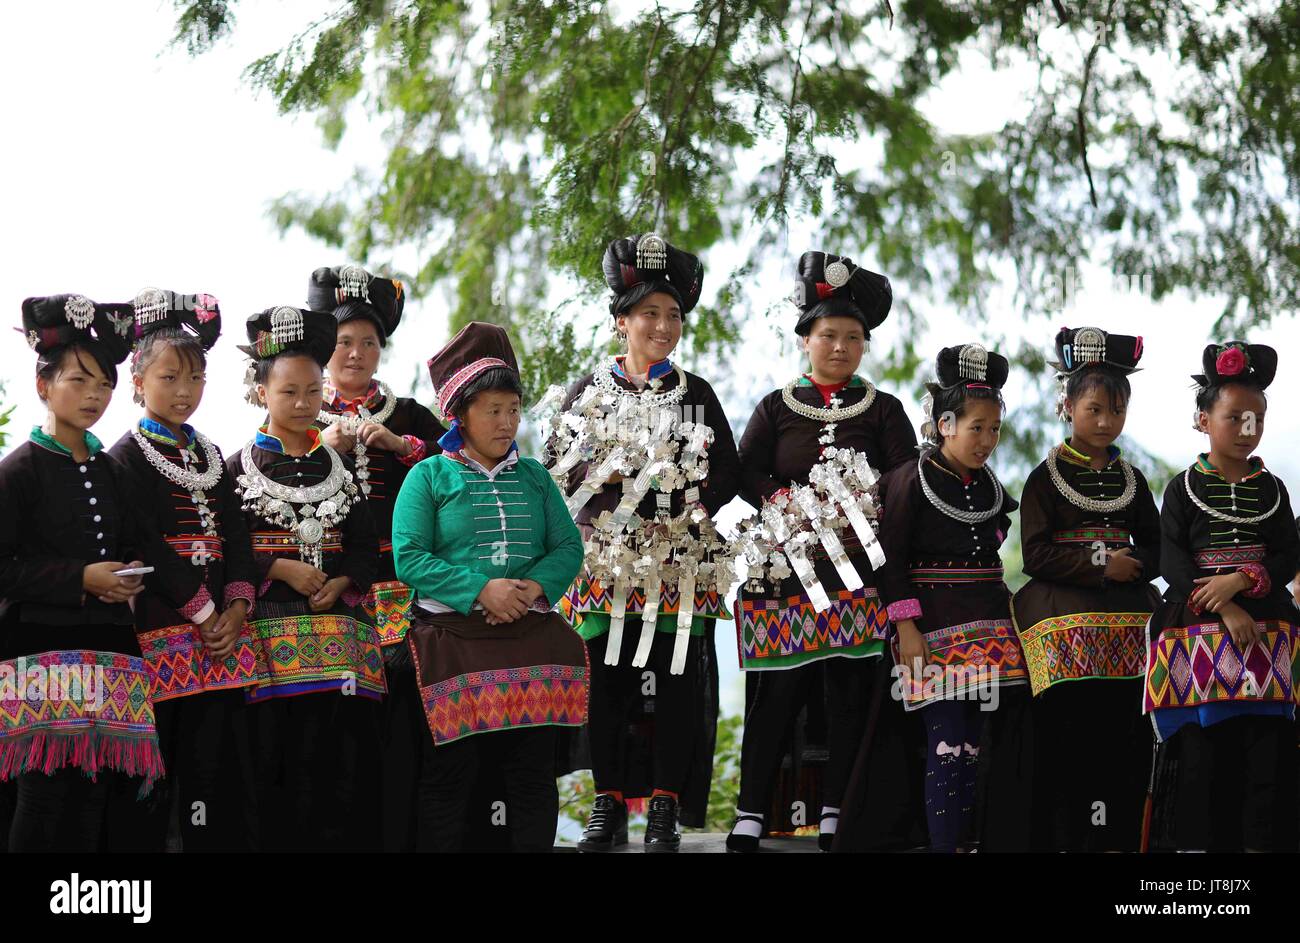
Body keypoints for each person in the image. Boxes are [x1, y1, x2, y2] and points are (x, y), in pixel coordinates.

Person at [549, 233, 740, 852]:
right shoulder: (585, 393)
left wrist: (689, 510)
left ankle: (665, 806)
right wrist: (603, 478)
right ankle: (607, 806)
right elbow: (555, 470)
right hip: (603, 564)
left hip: (678, 564)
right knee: (609, 683)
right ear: (620, 321)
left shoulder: (696, 394)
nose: (663, 325)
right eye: (649, 313)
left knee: (676, 679)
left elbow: (730, 473)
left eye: (673, 315)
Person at [725, 251, 913, 853]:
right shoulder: (776, 407)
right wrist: (783, 502)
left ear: (865, 346)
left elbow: (906, 481)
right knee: (777, 691)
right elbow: (743, 469)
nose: (839, 346)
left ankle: (837, 809)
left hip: (855, 574)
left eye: (852, 337)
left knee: (847, 692)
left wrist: (858, 507)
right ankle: (751, 810)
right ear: (805, 338)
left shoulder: (884, 410)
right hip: (783, 572)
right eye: (828, 334)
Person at [394, 321, 587, 853]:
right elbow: (410, 558)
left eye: (513, 410)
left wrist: (528, 590)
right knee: (450, 776)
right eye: (492, 411)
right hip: (453, 641)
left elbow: (568, 547)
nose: (507, 423)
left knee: (530, 776)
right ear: (461, 416)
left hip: (529, 635)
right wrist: (482, 590)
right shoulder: (429, 476)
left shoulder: (535, 478)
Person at [0, 294, 165, 851]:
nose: (94, 396)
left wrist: (129, 574)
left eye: (104, 385)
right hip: (39, 646)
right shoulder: (17, 471)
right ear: (44, 386)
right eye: (79, 380)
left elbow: (141, 543)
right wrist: (80, 578)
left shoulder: (114, 471)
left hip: (112, 644)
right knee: (43, 792)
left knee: (96, 791)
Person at [108, 289, 261, 851]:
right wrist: (202, 609)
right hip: (162, 633)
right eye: (170, 377)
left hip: (224, 637)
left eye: (195, 378)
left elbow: (237, 539)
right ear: (138, 382)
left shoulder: (213, 456)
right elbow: (144, 541)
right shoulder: (123, 458)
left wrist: (238, 607)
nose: (184, 391)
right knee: (163, 776)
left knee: (218, 769)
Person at [228, 305, 383, 852]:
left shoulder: (339, 468)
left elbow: (364, 546)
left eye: (313, 392)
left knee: (338, 768)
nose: (302, 404)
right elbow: (225, 550)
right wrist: (277, 567)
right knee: (271, 765)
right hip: (268, 641)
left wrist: (342, 583)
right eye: (288, 392)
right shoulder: (234, 468)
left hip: (340, 640)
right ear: (261, 392)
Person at [1006, 326, 1160, 851]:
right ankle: (1066, 835)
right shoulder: (1043, 478)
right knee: (1069, 734)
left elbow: (1158, 550)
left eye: (1116, 412)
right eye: (1094, 409)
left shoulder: (1134, 481)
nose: (1105, 422)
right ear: (1067, 406)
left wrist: (1130, 565)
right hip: (1062, 611)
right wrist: (1101, 567)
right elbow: (1036, 554)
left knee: (1124, 732)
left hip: (1127, 611)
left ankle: (1118, 835)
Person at [309, 264, 444, 851]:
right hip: (328, 590)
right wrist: (321, 449)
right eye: (343, 342)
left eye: (369, 342)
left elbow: (460, 469)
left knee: (406, 722)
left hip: (406, 590)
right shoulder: (298, 415)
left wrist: (400, 446)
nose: (356, 353)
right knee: (337, 726)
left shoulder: (410, 415)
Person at [1143, 341, 1298, 852]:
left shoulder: (1274, 490)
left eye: (1257, 419)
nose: (1247, 430)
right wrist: (1224, 604)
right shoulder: (1182, 488)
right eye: (1235, 418)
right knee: (1201, 759)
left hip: (1268, 634)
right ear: (1203, 420)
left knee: (1264, 759)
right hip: (1198, 633)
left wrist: (1241, 581)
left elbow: (1286, 556)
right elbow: (1172, 563)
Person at [875, 343, 1026, 853]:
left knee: (975, 748)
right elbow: (889, 559)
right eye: (976, 427)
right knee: (945, 746)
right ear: (945, 424)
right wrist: (906, 628)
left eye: (994, 429)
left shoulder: (989, 485)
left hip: (990, 629)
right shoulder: (908, 480)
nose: (987, 440)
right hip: (930, 631)